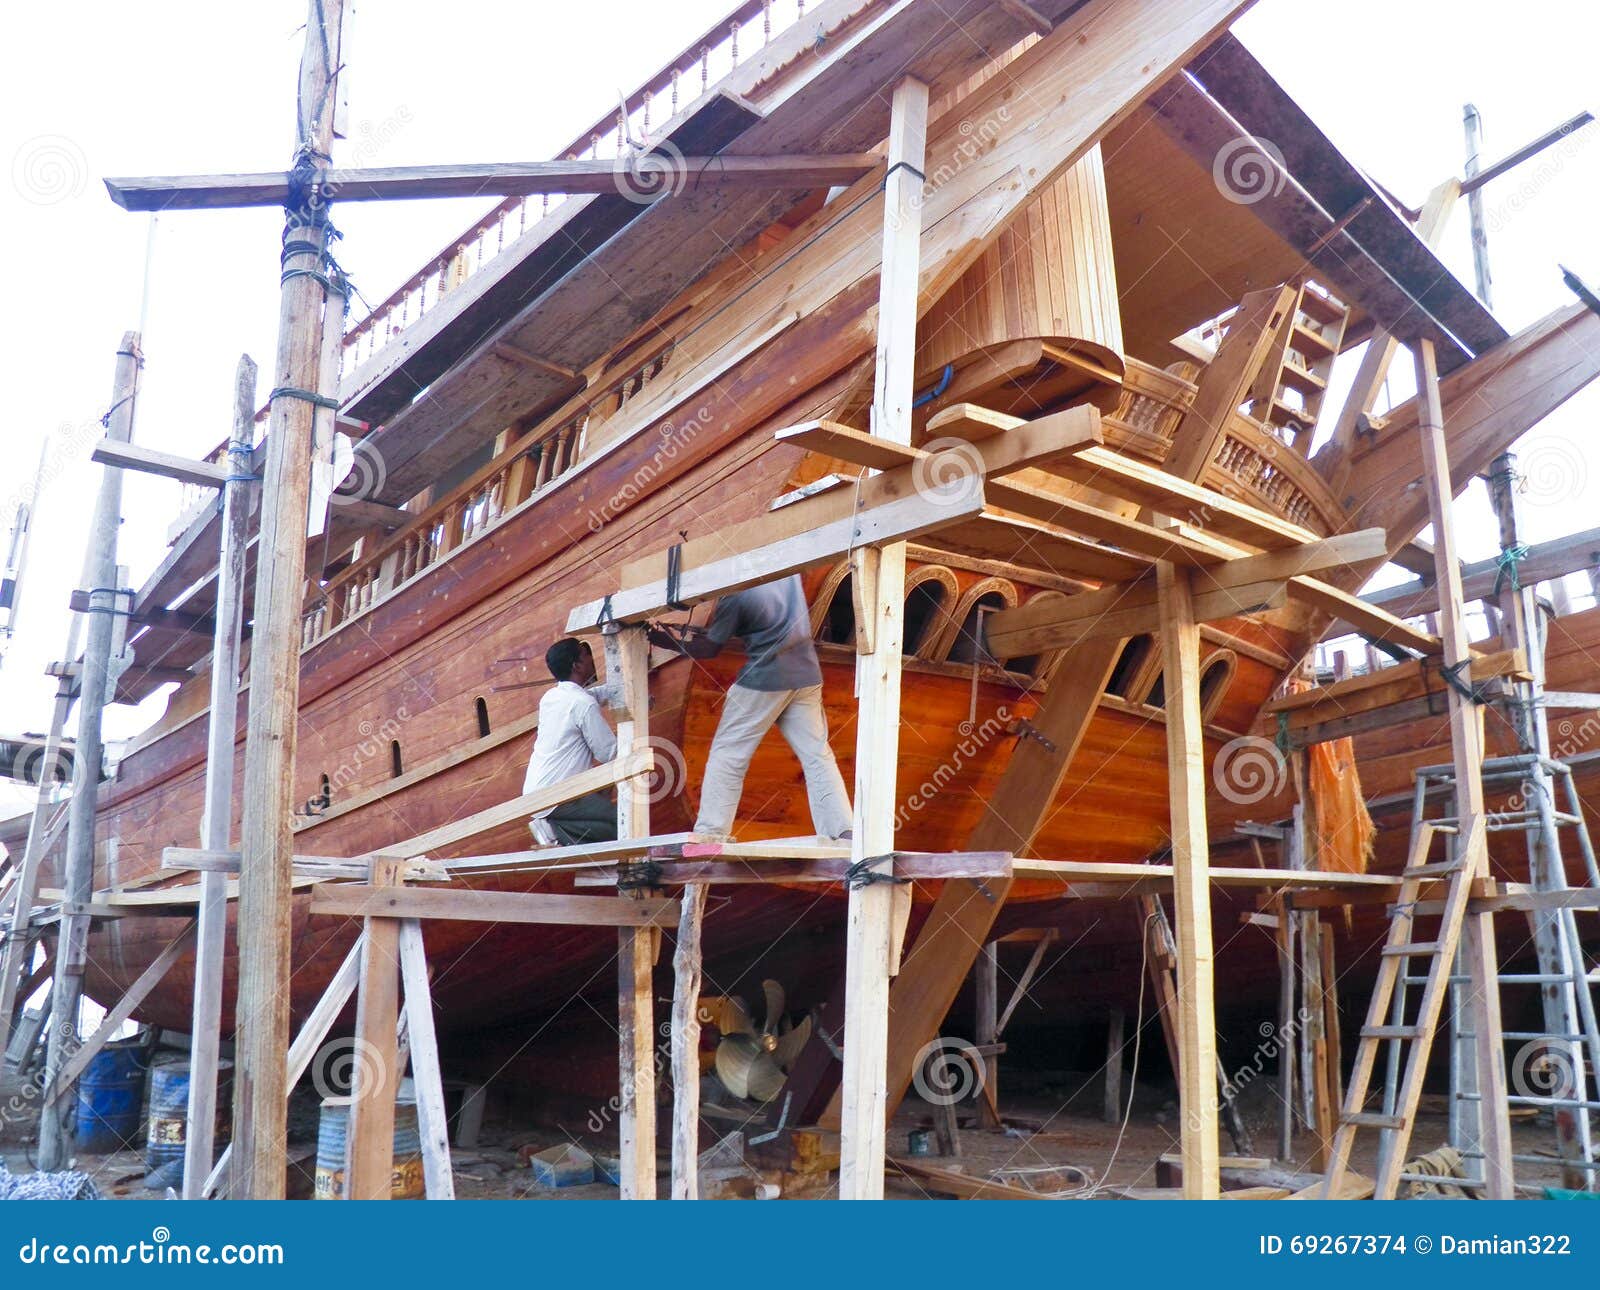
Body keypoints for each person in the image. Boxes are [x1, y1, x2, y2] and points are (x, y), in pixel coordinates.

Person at [651, 574, 852, 841]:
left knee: (728, 754)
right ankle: (842, 830)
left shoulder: (734, 595)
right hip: (806, 675)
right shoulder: (787, 574)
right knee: (817, 755)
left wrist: (662, 639)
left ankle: (712, 832)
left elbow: (710, 649)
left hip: (766, 677)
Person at [524, 637, 617, 846]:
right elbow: (608, 752)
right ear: (576, 666)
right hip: (559, 796)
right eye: (586, 656)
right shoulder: (583, 704)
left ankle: (553, 828)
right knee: (621, 822)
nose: (592, 660)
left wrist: (615, 690)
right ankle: (553, 829)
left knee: (603, 799)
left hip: (536, 793)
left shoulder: (551, 697)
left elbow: (586, 698)